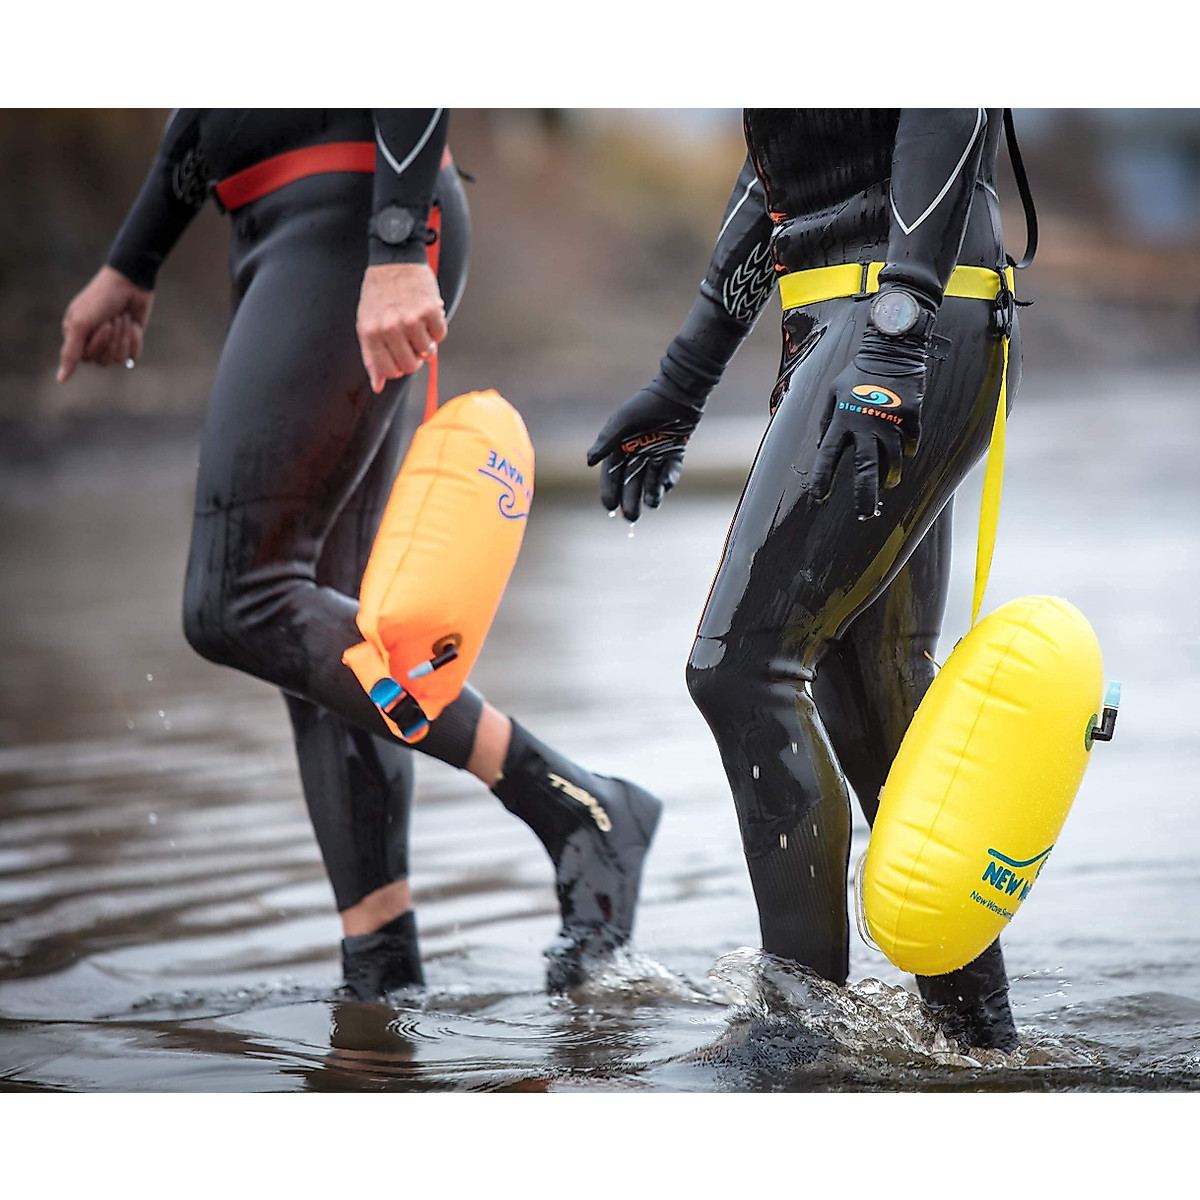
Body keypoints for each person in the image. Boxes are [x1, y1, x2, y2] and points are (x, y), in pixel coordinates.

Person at [56, 109, 661, 1002]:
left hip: (352, 214)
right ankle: (382, 978)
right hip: (284, 223)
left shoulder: (376, 229)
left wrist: (394, 240)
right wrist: (132, 260)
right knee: (325, 619)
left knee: (237, 600)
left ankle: (573, 804)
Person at [588, 109, 1027, 1051]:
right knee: (870, 698)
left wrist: (896, 336)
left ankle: (795, 1048)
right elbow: (781, 172)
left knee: (740, 669)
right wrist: (683, 378)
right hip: (854, 315)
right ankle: (978, 1040)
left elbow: (946, 97)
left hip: (899, 317)